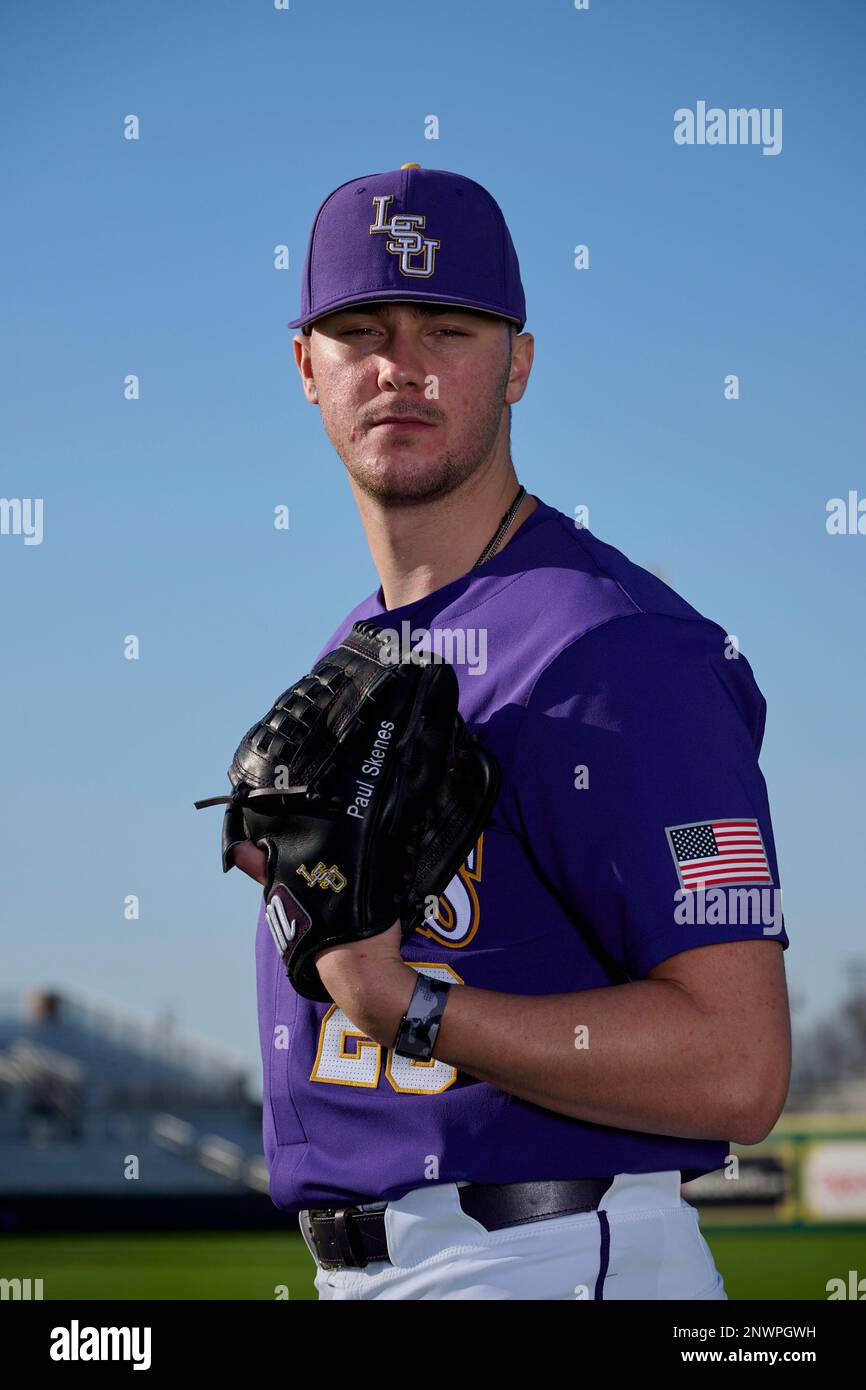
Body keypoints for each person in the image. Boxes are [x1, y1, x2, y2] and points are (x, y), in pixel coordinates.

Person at [232, 164, 791, 1300]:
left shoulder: (617, 647)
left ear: (517, 364)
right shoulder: (353, 659)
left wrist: (407, 1004)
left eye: (448, 327)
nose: (401, 365)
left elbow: (737, 1066)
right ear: (306, 367)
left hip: (546, 1257)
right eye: (360, 330)